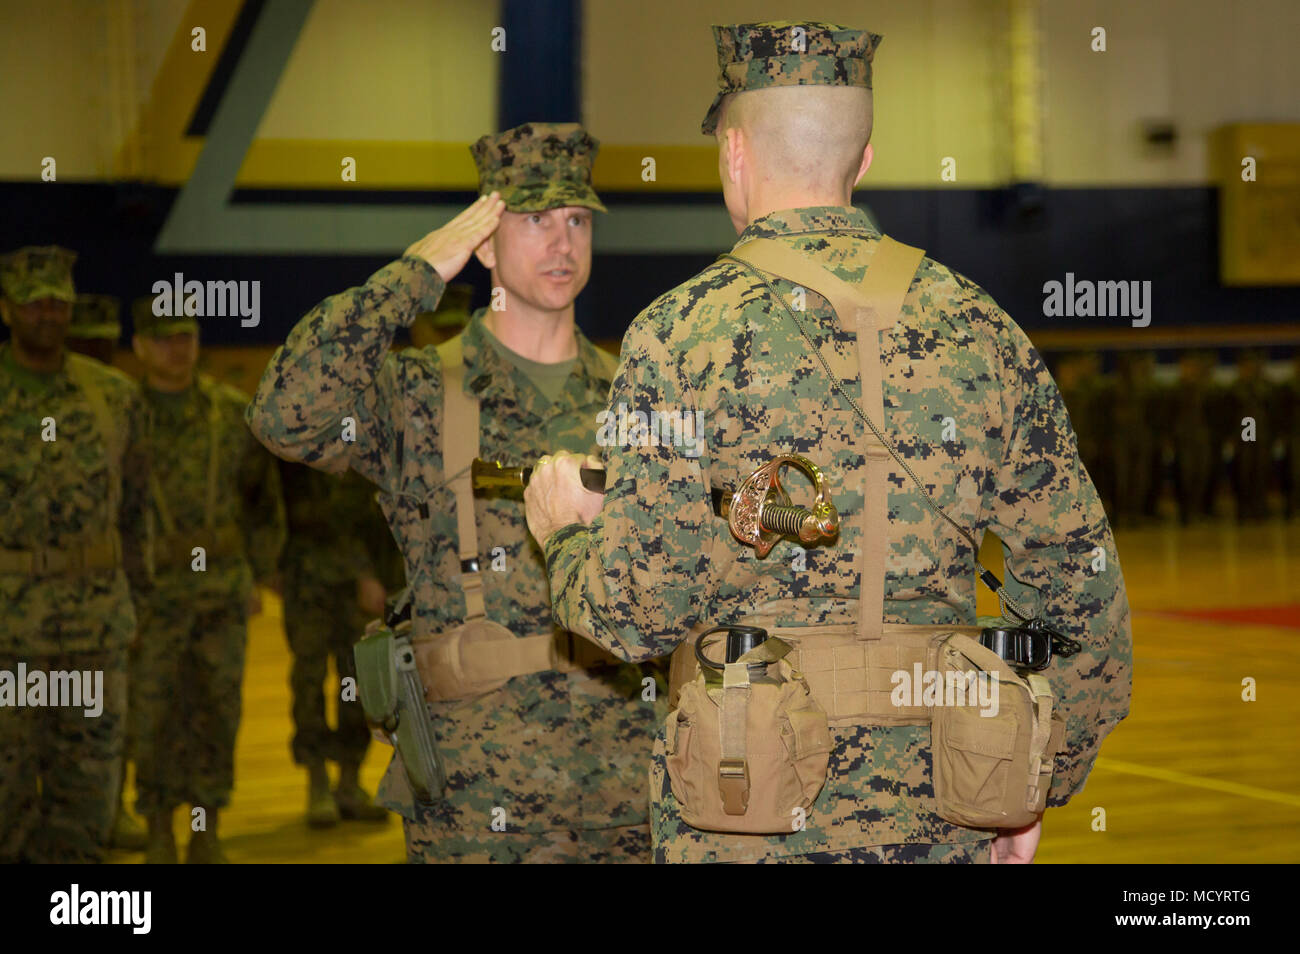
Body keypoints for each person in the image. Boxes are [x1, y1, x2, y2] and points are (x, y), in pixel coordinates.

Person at [525, 20, 1134, 864]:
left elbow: (634, 611)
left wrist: (564, 534)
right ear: (866, 158)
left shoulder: (673, 336)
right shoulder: (981, 328)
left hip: (744, 817)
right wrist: (1024, 787)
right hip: (947, 814)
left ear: (734, 152)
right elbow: (1086, 598)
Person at [247, 123, 662, 863]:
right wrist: (413, 275)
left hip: (623, 790)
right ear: (484, 241)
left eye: (576, 221)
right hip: (477, 800)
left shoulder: (634, 397)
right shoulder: (418, 395)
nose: (562, 243)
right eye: (534, 221)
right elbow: (285, 413)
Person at [0, 246, 150, 863]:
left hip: (95, 627)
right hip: (9, 631)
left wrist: (135, 602)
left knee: (87, 787)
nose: (47, 313)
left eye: (57, 303)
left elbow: (136, 509)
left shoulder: (113, 397)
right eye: (34, 302)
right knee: (6, 793)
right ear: (7, 308)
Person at [130, 301, 286, 863]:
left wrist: (257, 571)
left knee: (217, 714)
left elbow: (265, 501)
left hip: (220, 590)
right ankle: (156, 831)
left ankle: (206, 828)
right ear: (142, 346)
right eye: (164, 337)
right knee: (152, 717)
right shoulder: (123, 416)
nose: (178, 347)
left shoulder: (229, 412)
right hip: (152, 597)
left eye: (187, 336)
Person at [279, 461, 399, 826]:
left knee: (356, 682)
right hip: (307, 576)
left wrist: (379, 577)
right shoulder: (299, 431)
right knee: (309, 679)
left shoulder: (365, 435)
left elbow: (378, 513)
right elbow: (269, 501)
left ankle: (349, 781)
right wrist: (267, 564)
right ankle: (317, 783)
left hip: (359, 585)